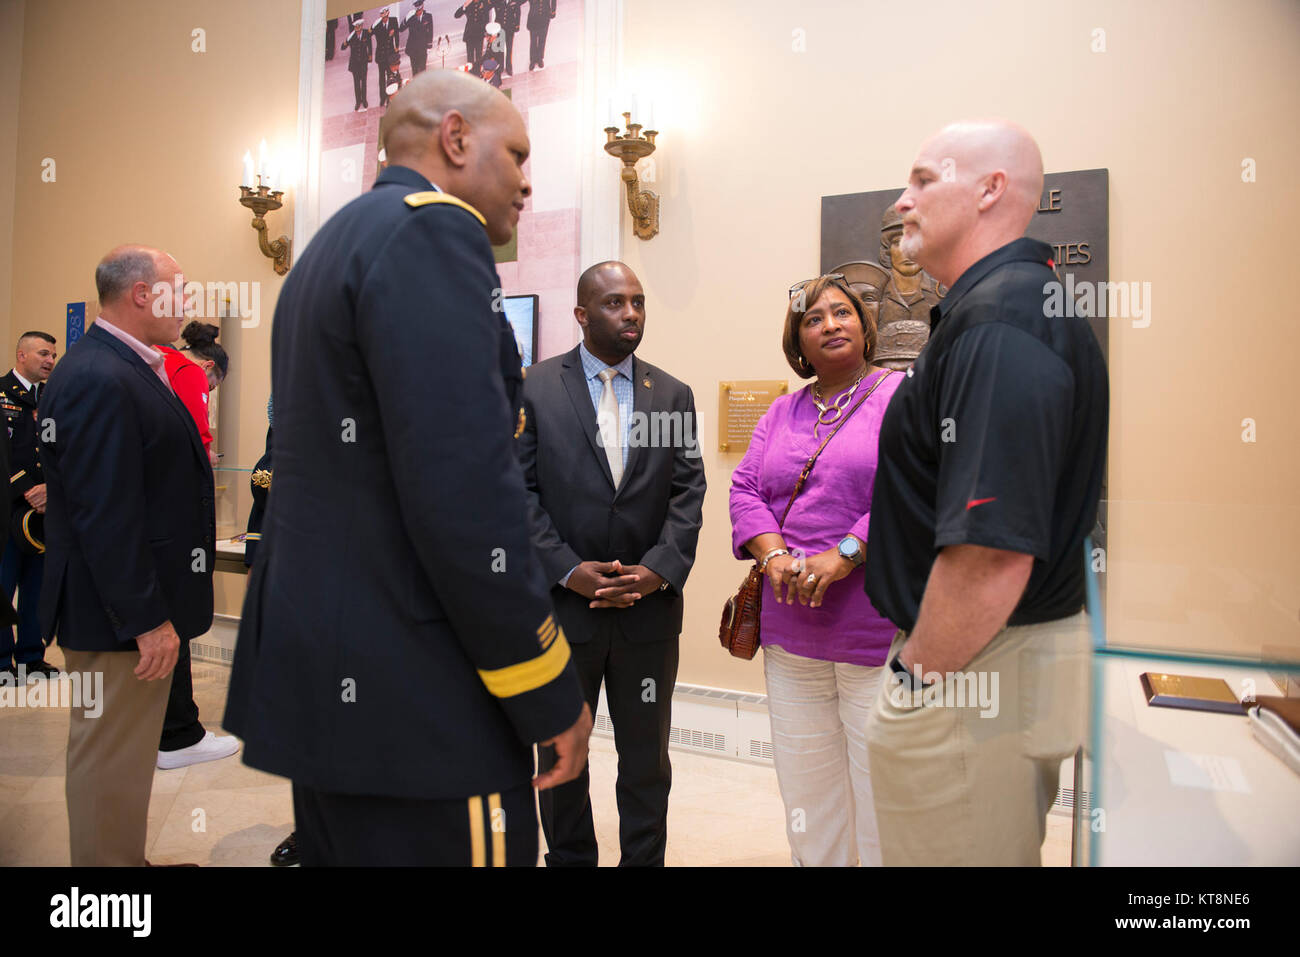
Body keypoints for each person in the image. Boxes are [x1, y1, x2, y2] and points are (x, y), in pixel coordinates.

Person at [223, 70, 592, 867]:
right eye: (518, 153)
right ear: (455, 139)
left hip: (333, 678)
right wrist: (543, 686)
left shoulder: (333, 241)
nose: (528, 181)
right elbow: (464, 494)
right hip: (421, 694)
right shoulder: (434, 232)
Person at [863, 119, 1108, 866]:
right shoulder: (1006, 306)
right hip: (985, 664)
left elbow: (991, 553)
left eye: (923, 180)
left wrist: (916, 676)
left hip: (975, 673)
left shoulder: (1001, 319)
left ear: (990, 191)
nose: (902, 201)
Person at [519, 261, 707, 866]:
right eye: (613, 303)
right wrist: (569, 569)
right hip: (562, 612)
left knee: (647, 759)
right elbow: (513, 493)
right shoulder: (533, 388)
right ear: (581, 314)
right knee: (561, 754)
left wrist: (658, 569)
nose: (630, 314)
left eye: (638, 302)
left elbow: (687, 494)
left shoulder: (672, 394)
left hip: (647, 615)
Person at [40, 245, 215, 866]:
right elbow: (104, 512)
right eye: (180, 289)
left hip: (121, 608)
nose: (187, 303)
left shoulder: (128, 366)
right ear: (142, 293)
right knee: (107, 757)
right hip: (113, 615)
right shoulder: (98, 374)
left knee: (125, 755)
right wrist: (146, 618)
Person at [728, 275, 900, 866]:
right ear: (797, 340)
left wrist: (846, 552)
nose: (830, 324)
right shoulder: (783, 410)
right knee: (808, 789)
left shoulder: (900, 396)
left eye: (841, 312)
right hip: (791, 630)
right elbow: (746, 488)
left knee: (882, 792)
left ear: (863, 324)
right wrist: (773, 554)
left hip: (874, 628)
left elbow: (920, 490)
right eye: (813, 318)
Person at [152, 321, 239, 771]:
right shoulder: (186, 372)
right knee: (176, 624)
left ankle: (159, 731)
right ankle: (178, 735)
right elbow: (196, 443)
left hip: (146, 523)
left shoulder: (153, 363)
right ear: (209, 365)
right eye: (214, 384)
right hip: (174, 523)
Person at [0, 331, 60, 682]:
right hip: (8, 507)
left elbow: (61, 449)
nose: (50, 361)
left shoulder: (53, 397)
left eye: (53, 355)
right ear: (21, 355)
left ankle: (30, 657)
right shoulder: (2, 392)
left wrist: (50, 489)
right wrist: (28, 488)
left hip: (44, 511)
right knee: (4, 585)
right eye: (43, 354)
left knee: (37, 585)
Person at [372, 8, 402, 107]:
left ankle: (393, 95)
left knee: (392, 75)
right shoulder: (378, 25)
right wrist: (389, 35)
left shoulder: (393, 21)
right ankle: (382, 98)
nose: (384, 19)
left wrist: (397, 46)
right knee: (382, 78)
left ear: (388, 15)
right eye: (383, 18)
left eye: (385, 17)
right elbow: (379, 39)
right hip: (381, 55)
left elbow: (396, 33)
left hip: (390, 54)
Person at [341, 17, 371, 112]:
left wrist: (370, 56)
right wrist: (346, 41)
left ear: (361, 26)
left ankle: (364, 100)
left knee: (364, 82)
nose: (357, 30)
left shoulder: (366, 33)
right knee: (357, 84)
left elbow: (369, 45)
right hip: (354, 64)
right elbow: (343, 47)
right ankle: (358, 102)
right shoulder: (352, 36)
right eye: (355, 28)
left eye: (359, 28)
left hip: (363, 62)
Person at [454, 0, 491, 75]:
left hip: (479, 34)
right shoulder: (469, 4)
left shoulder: (485, 3)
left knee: (479, 57)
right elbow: (456, 15)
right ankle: (471, 75)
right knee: (470, 57)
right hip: (469, 34)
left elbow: (486, 19)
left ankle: (478, 74)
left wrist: (486, 32)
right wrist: (464, 6)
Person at [402, 0, 434, 75]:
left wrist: (429, 45)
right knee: (415, 71)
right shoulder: (411, 17)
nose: (418, 11)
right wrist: (407, 18)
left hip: (422, 48)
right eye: (417, 9)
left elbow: (430, 31)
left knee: (423, 70)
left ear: (422, 6)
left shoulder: (428, 16)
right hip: (412, 49)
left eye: (420, 9)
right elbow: (401, 29)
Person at [525, 0, 555, 71]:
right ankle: (532, 60)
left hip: (545, 15)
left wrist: (553, 10)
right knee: (533, 40)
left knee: (542, 39)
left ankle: (540, 58)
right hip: (533, 17)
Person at [494, 0, 522, 76]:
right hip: (501, 28)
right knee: (501, 48)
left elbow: (518, 12)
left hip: (510, 28)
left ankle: (509, 67)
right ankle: (501, 67)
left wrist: (517, 25)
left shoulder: (514, 1)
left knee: (509, 49)